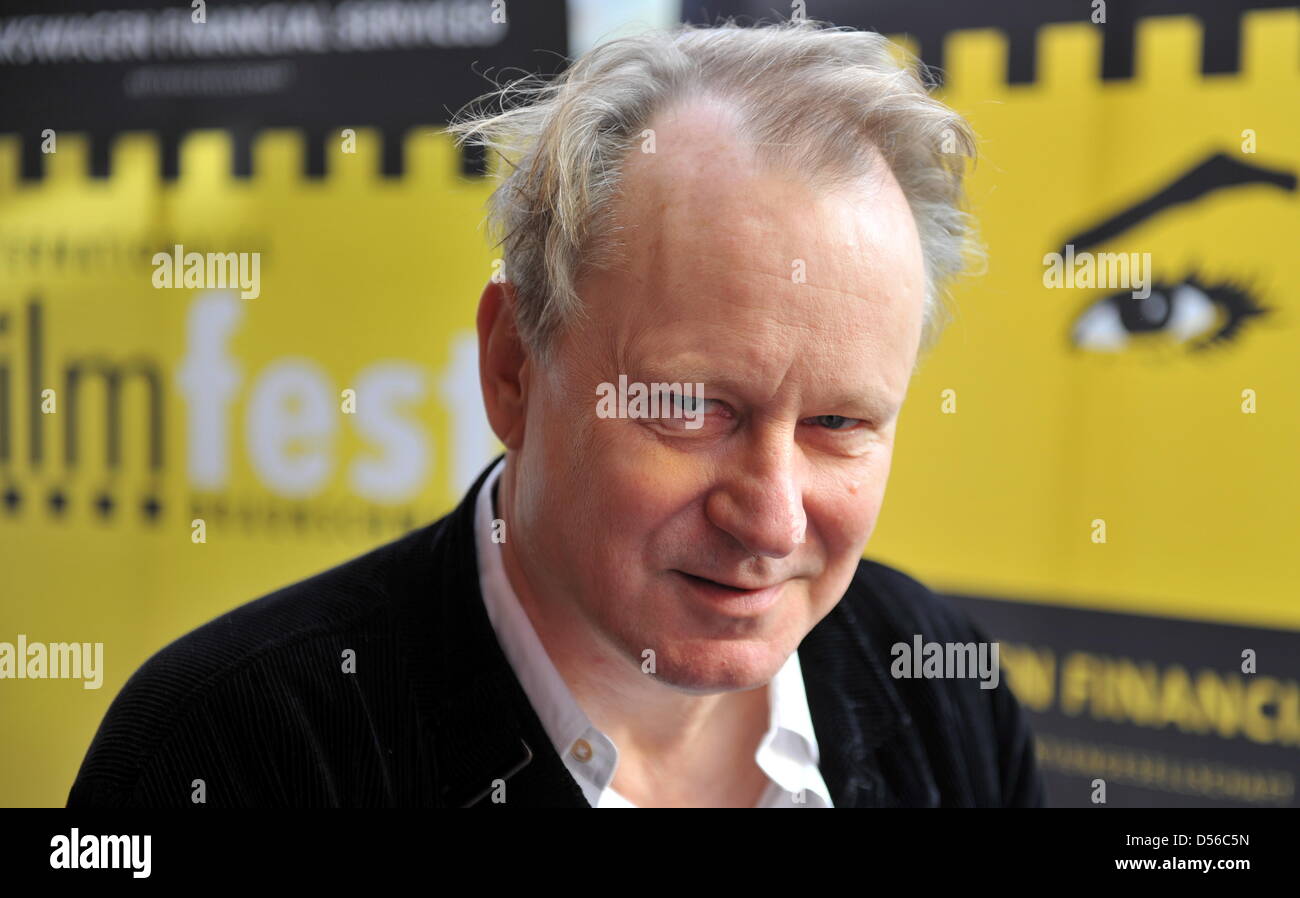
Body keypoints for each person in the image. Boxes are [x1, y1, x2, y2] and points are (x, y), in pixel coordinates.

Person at [68, 18, 1045, 808]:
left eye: (839, 424)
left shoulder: (941, 688)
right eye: (691, 407)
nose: (774, 518)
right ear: (512, 368)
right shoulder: (227, 752)